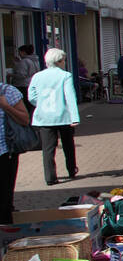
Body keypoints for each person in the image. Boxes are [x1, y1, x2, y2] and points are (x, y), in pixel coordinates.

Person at [28, 48, 79, 185]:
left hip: (44, 117)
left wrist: (40, 104)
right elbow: (70, 96)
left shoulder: (37, 76)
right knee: (68, 144)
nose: (64, 63)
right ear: (59, 61)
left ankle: (50, 177)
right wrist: (75, 117)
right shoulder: (65, 76)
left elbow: (31, 97)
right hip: (63, 116)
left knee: (48, 148)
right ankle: (71, 169)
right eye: (63, 60)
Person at [0, 80, 31, 223]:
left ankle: (6, 236)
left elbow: (25, 119)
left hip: (5, 153)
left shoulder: (8, 92)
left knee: (4, 201)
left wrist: (6, 106)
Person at [12, 45, 38, 110]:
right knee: (31, 105)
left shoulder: (24, 61)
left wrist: (11, 75)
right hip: (31, 83)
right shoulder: (35, 60)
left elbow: (21, 75)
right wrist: (18, 63)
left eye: (19, 52)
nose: (19, 54)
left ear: (23, 52)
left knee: (25, 105)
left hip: (22, 85)